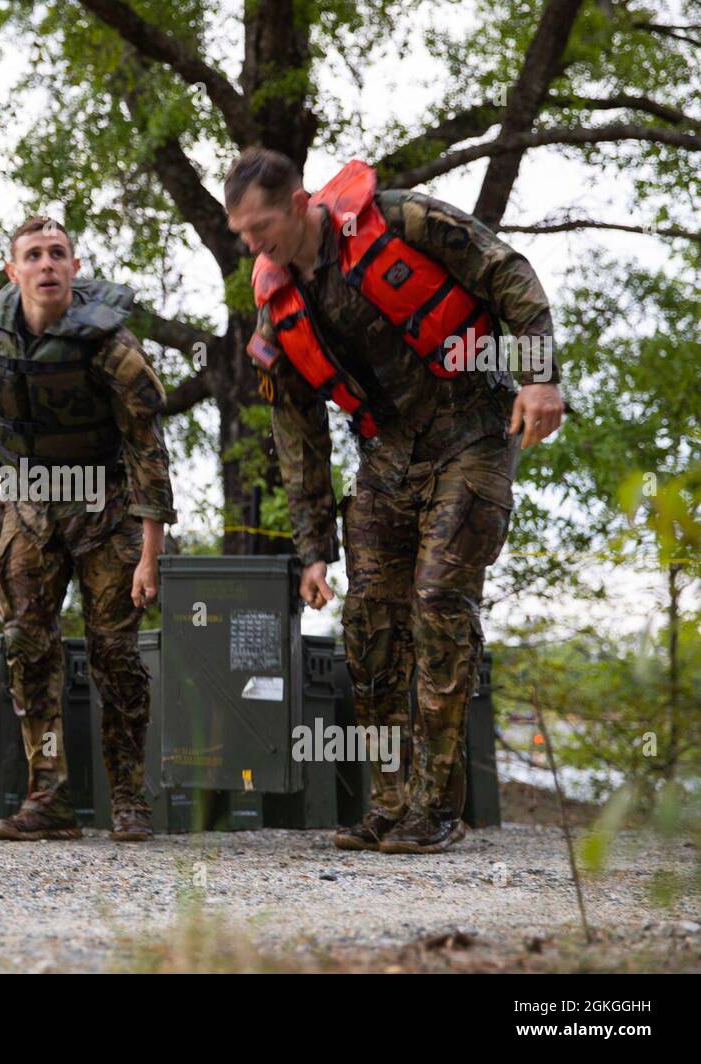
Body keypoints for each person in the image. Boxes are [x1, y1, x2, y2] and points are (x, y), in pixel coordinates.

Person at [225, 150, 564, 853]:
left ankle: (437, 808)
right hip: (387, 454)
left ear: (298, 202)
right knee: (370, 625)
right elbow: (297, 434)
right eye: (242, 235)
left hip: (474, 426)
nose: (254, 245)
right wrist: (313, 549)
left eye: (261, 226)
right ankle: (388, 804)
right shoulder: (275, 312)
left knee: (439, 600)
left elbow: (509, 272)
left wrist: (539, 377)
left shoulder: (403, 218)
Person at [0, 216, 177, 842]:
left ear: (74, 267)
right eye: (33, 256)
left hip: (107, 511)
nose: (46, 265)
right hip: (29, 507)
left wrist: (150, 555)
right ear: (13, 272)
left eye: (57, 254)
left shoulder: (114, 350)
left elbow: (149, 451)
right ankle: (49, 798)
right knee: (27, 648)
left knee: (115, 655)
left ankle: (128, 800)